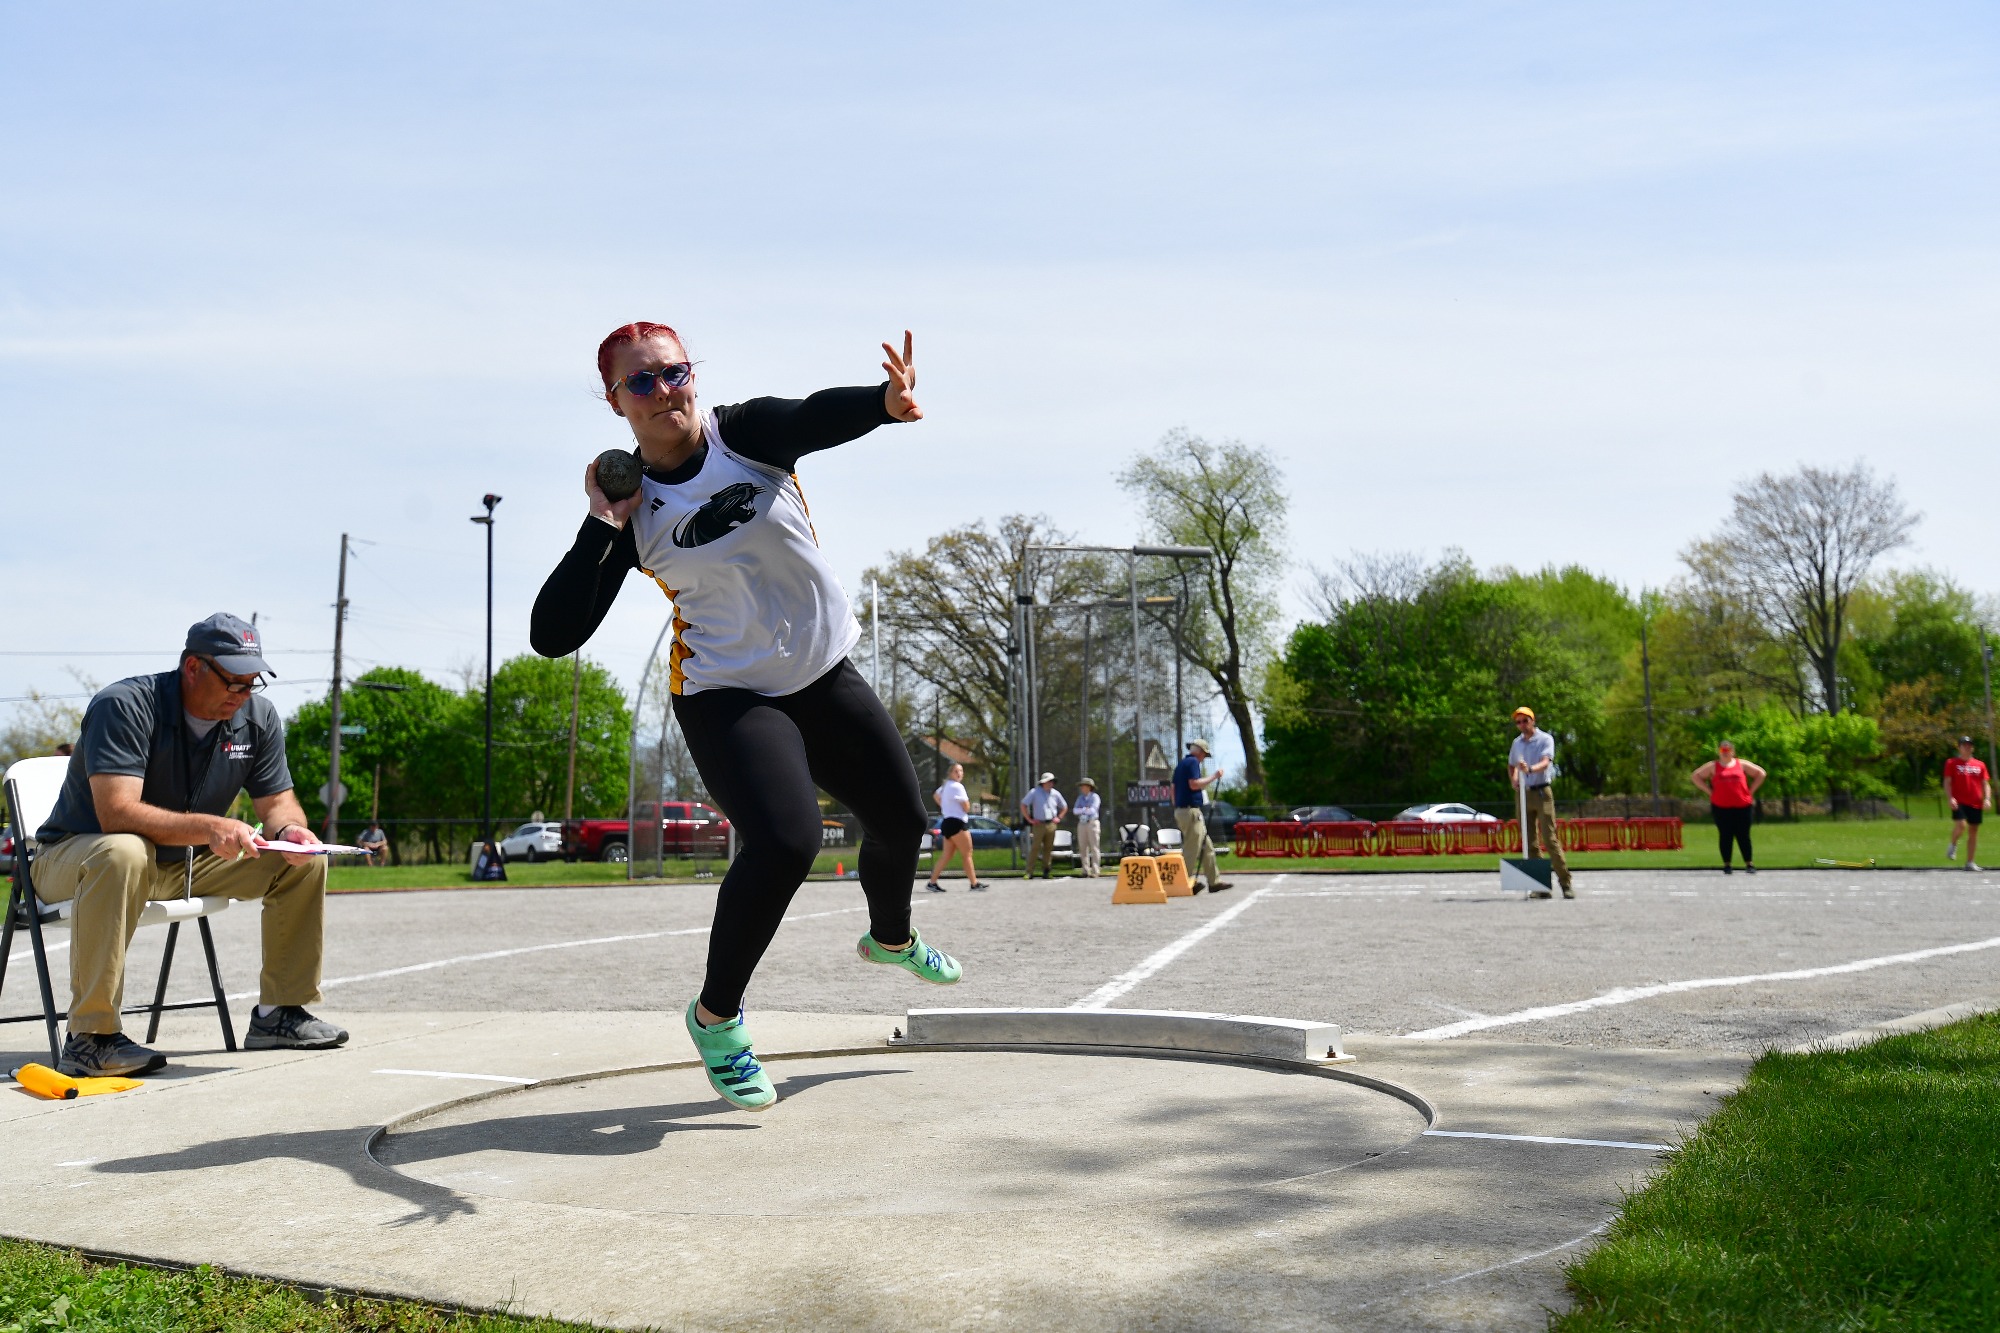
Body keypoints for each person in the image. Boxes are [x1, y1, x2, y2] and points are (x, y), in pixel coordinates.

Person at [530, 321, 961, 1112]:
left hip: (823, 672)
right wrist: (602, 524)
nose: (666, 392)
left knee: (903, 819)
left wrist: (881, 403)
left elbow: (811, 417)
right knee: (788, 837)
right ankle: (716, 1019)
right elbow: (552, 635)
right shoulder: (635, 509)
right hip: (728, 692)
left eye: (674, 372)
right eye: (643, 383)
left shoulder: (747, 434)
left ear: (692, 374)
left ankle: (891, 939)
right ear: (614, 401)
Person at [31, 614, 347, 1078]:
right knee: (124, 850)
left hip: (178, 863)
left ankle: (279, 1015)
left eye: (251, 683)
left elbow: (279, 802)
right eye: (233, 682)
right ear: (193, 667)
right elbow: (116, 814)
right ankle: (91, 1038)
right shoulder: (124, 705)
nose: (242, 695)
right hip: (76, 857)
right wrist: (210, 827)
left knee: (300, 863)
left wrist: (289, 832)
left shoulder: (257, 718)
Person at [1507, 707, 1573, 899]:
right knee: (1529, 842)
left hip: (1542, 791)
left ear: (1532, 721)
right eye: (1518, 722)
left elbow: (1546, 762)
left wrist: (1530, 769)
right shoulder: (1517, 743)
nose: (1522, 726)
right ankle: (1541, 886)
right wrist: (1514, 779)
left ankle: (1565, 883)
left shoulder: (1545, 739)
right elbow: (1512, 764)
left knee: (1550, 839)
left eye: (1525, 721)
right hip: (1523, 794)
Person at [1689, 739, 1764, 875]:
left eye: (1727, 750)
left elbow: (1761, 773)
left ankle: (1749, 863)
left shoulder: (1741, 764)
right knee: (1725, 835)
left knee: (1743, 835)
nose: (1725, 752)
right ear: (1719, 752)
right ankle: (1727, 864)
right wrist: (1709, 791)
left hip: (1743, 805)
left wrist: (1750, 791)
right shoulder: (1713, 766)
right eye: (1722, 750)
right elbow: (1695, 776)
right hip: (1721, 806)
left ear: (1732, 751)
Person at [1172, 740, 1233, 894]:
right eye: (1204, 755)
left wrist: (1177, 806)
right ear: (1199, 752)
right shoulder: (1192, 762)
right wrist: (1214, 776)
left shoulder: (1181, 765)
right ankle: (1183, 882)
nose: (1203, 758)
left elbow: (1172, 788)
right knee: (1192, 848)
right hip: (1191, 811)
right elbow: (1194, 784)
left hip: (1182, 810)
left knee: (1207, 847)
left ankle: (1214, 881)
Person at [926, 762, 982, 892]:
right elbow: (966, 806)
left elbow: (936, 795)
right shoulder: (958, 787)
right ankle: (974, 883)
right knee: (967, 853)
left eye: (961, 771)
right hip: (957, 823)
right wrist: (955, 807)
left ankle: (932, 882)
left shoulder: (945, 786)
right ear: (950, 773)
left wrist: (946, 806)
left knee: (947, 855)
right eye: (956, 771)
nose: (959, 774)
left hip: (947, 822)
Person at [1943, 736, 1991, 871]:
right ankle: (1953, 844)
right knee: (1961, 825)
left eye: (1969, 745)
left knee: (1973, 831)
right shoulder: (1952, 763)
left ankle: (1970, 862)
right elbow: (1947, 782)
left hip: (1975, 802)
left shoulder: (1980, 765)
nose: (1967, 747)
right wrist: (1950, 797)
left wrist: (1987, 798)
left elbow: (1985, 783)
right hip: (1959, 801)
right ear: (1959, 747)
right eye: (1964, 745)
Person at [1019, 773, 1068, 878]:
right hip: (1038, 824)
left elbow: (1064, 806)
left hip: (1051, 824)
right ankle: (1029, 872)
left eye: (1052, 781)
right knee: (1035, 847)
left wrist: (1058, 818)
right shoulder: (1034, 792)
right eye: (1049, 781)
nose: (1051, 783)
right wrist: (1029, 819)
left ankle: (1046, 871)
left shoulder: (1055, 794)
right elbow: (1023, 805)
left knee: (1048, 848)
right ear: (1043, 782)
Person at [1073, 777, 1103, 877]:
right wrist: (1085, 809)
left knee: (1094, 847)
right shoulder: (1080, 798)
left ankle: (1095, 870)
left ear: (1089, 787)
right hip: (1082, 824)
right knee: (1083, 847)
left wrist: (1082, 810)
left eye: (1084, 786)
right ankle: (1085, 870)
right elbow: (1074, 810)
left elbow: (1093, 810)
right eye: (1081, 786)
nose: (1082, 788)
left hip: (1092, 823)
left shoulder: (1095, 797)